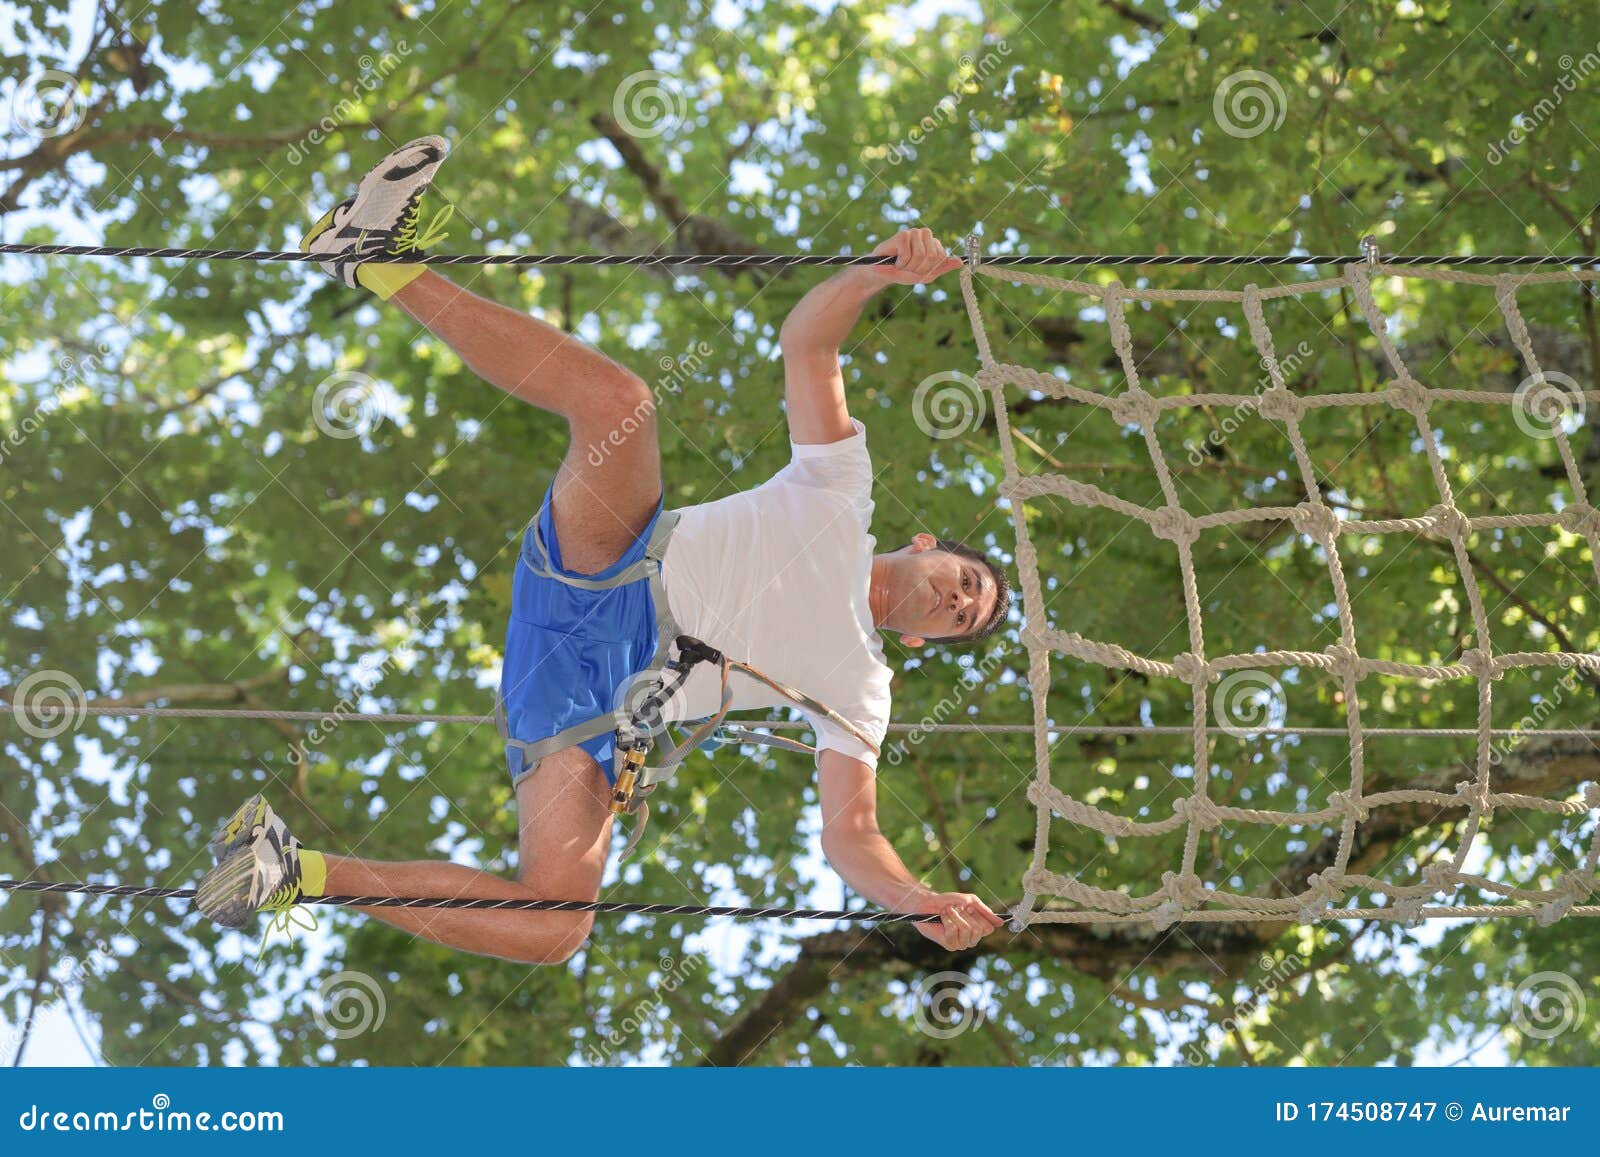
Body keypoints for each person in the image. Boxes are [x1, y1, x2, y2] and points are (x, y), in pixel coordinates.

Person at [196, 137, 1010, 961]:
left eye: (963, 619)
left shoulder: (864, 688)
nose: (960, 600)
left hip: (594, 711)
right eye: (968, 580)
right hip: (608, 570)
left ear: (920, 640)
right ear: (925, 543)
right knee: (619, 403)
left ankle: (289, 870)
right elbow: (809, 345)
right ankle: (369, 259)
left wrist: (915, 897)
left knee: (558, 929)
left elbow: (851, 835)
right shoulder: (843, 490)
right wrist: (872, 275)